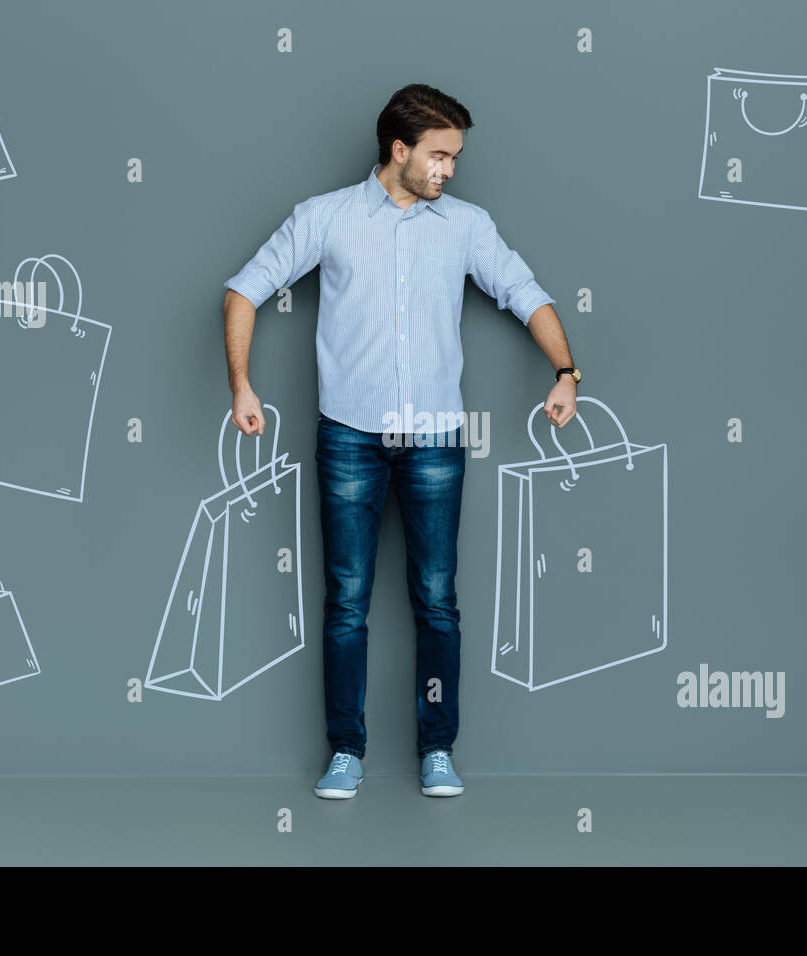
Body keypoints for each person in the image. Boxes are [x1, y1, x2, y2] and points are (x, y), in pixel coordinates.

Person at [221, 83, 581, 798]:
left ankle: (437, 749)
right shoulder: (326, 218)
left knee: (437, 599)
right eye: (439, 154)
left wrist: (567, 370)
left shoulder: (467, 225)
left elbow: (525, 291)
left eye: (455, 156)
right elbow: (244, 289)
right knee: (347, 601)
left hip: (437, 443)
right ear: (399, 149)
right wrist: (242, 385)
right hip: (348, 439)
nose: (449, 168)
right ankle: (346, 752)